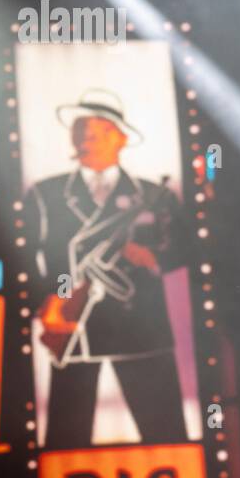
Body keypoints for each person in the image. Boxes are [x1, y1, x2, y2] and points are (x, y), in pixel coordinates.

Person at [25, 88, 188, 449]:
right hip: (73, 329)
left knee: (167, 438)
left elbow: (186, 246)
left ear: (121, 138)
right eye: (81, 131)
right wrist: (49, 302)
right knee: (66, 444)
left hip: (142, 333)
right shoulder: (45, 195)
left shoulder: (153, 194)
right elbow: (20, 255)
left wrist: (153, 258)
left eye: (98, 132)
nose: (87, 139)